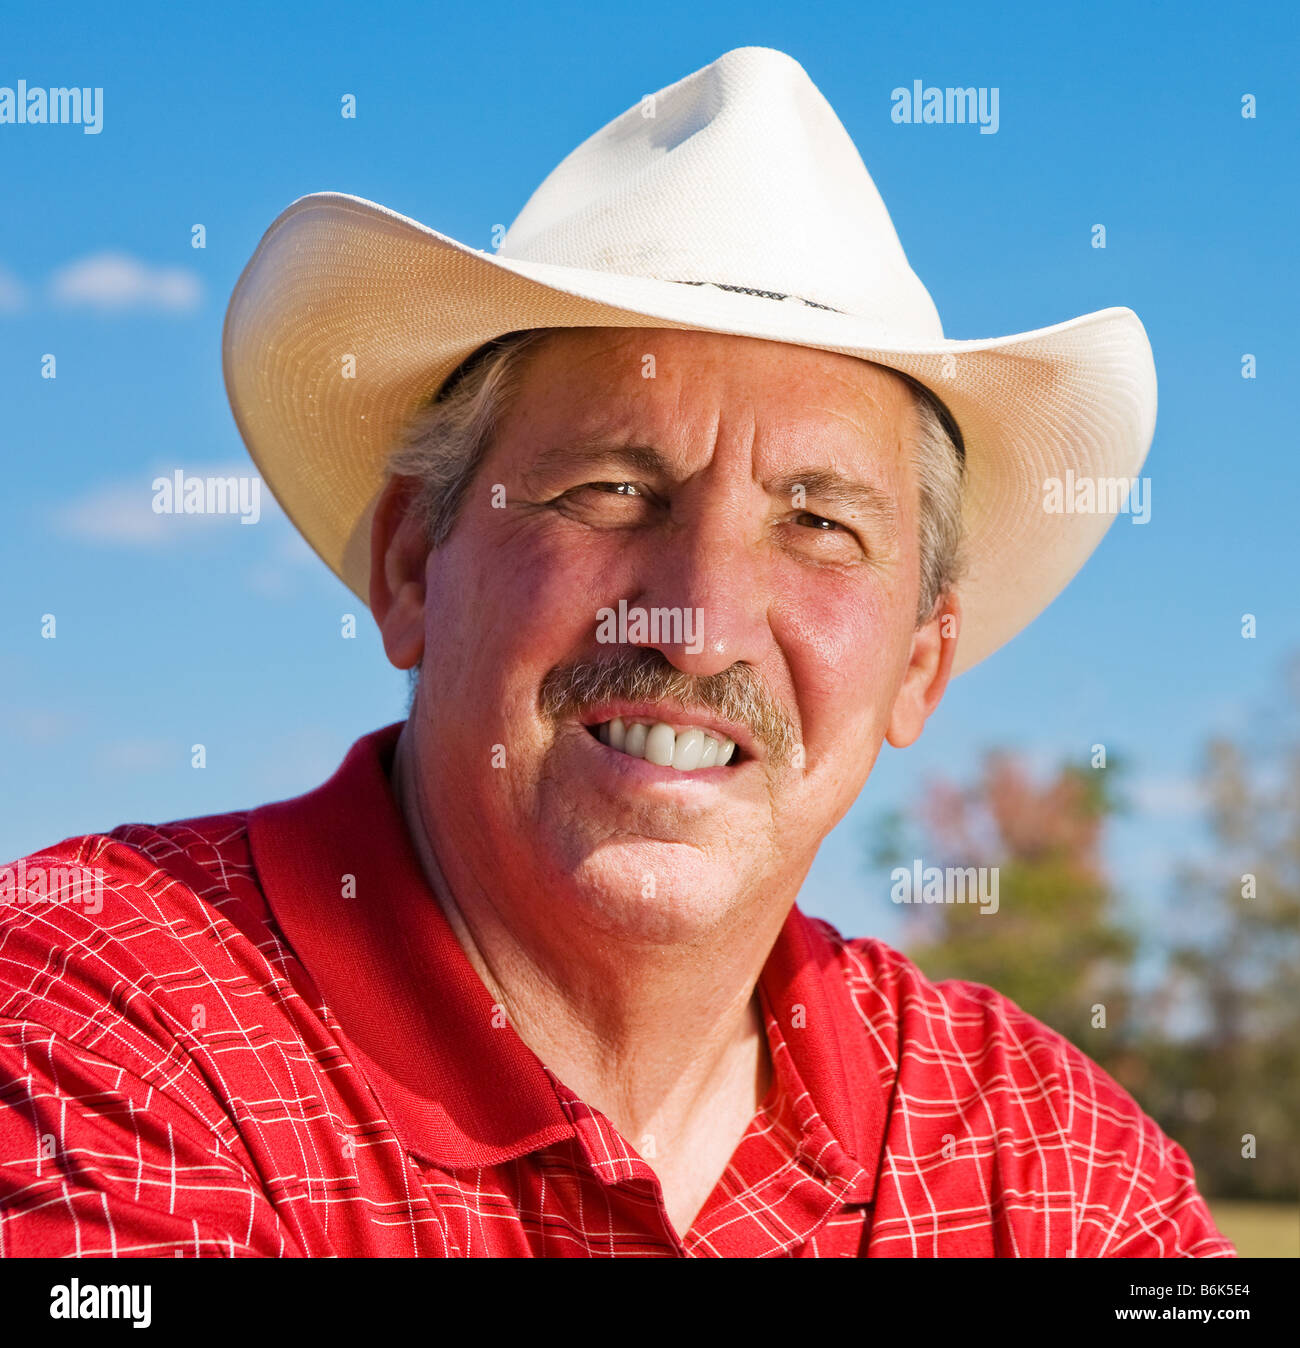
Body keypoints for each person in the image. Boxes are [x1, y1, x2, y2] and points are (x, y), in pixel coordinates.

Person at [0, 46, 1232, 1257]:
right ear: (412, 566)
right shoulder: (100, 1016)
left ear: (920, 660)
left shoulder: (1056, 1163)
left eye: (816, 523)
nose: (695, 625)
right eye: (611, 488)